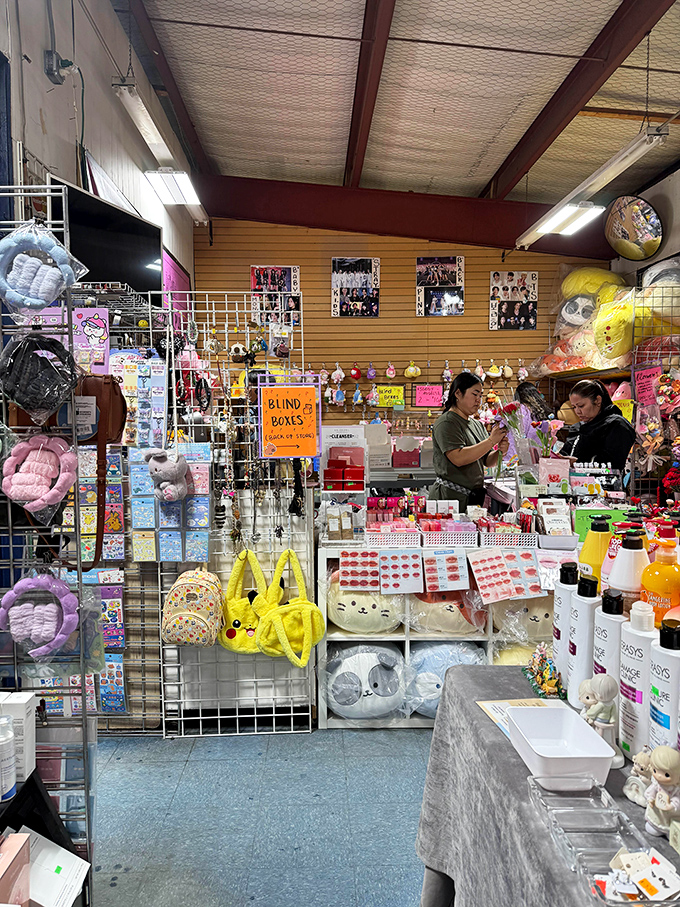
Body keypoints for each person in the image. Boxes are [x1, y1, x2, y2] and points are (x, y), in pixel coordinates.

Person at [429, 373, 508, 507]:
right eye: (474, 394)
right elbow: (458, 458)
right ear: (458, 394)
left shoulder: (476, 424)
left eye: (480, 395)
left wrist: (500, 452)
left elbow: (487, 461)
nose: (478, 400)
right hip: (449, 500)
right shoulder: (447, 422)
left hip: (473, 499)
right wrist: (491, 441)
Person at [560, 379, 635, 470]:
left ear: (598, 400)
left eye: (581, 406)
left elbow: (613, 465)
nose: (577, 411)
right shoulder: (578, 428)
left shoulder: (617, 425)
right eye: (574, 407)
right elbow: (565, 454)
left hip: (602, 483)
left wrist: (577, 463)